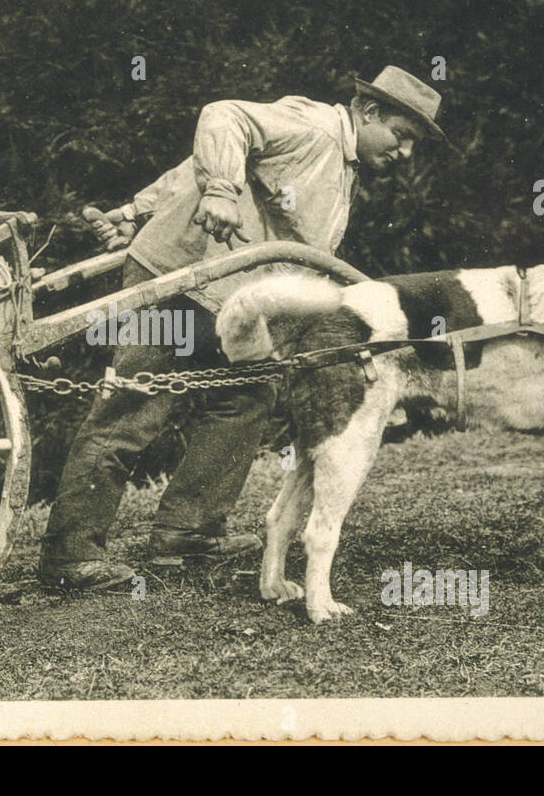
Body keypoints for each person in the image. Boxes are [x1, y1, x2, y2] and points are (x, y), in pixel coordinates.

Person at [39, 66, 447, 591]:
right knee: (134, 408)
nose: (406, 153)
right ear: (368, 112)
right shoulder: (315, 129)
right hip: (177, 278)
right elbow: (224, 117)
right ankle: (70, 556)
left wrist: (137, 207)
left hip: (231, 298)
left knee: (246, 397)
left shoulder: (339, 162)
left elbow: (201, 163)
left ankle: (188, 534)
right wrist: (221, 192)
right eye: (402, 135)